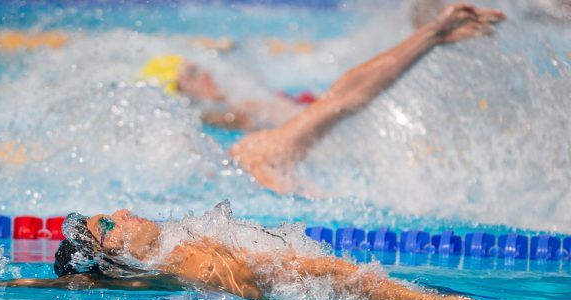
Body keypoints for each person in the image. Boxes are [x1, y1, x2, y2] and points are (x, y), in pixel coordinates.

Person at [142, 4, 506, 195]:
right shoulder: (247, 151)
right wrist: (431, 35)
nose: (206, 74)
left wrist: (431, 36)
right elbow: (342, 100)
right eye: (190, 75)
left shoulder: (252, 153)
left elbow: (342, 99)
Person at [10, 207, 489, 300]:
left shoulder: (170, 252)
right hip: (307, 284)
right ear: (112, 256)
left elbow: (83, 280)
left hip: (310, 285)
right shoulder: (162, 269)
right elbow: (83, 282)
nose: (126, 212)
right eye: (110, 223)